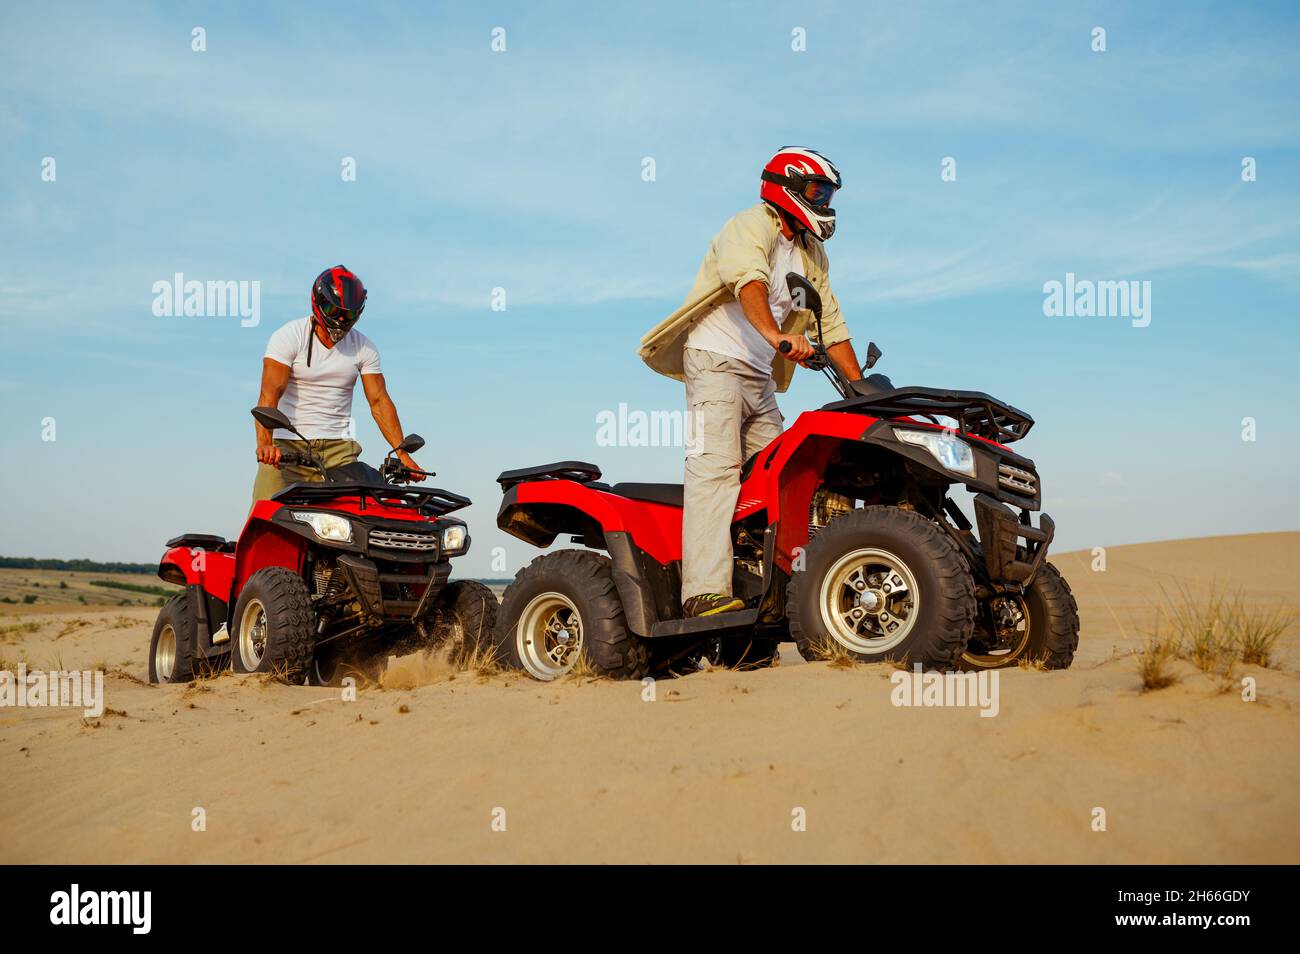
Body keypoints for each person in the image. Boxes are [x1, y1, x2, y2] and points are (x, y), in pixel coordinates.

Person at [639, 148, 864, 616]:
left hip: (759, 376)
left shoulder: (811, 252)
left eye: (828, 194)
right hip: (715, 362)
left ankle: (771, 587)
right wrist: (778, 336)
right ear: (788, 190)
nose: (825, 202)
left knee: (781, 478)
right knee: (714, 469)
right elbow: (749, 283)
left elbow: (832, 324)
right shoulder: (750, 225)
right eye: (818, 191)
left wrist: (864, 393)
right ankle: (702, 591)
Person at [251, 265, 424, 501]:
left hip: (339, 452)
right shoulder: (289, 336)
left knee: (370, 506)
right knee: (266, 511)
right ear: (318, 303)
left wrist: (402, 454)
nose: (341, 320)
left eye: (349, 315)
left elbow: (379, 401)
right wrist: (265, 445)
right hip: (287, 448)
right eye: (334, 310)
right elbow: (269, 395)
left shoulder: (364, 347)